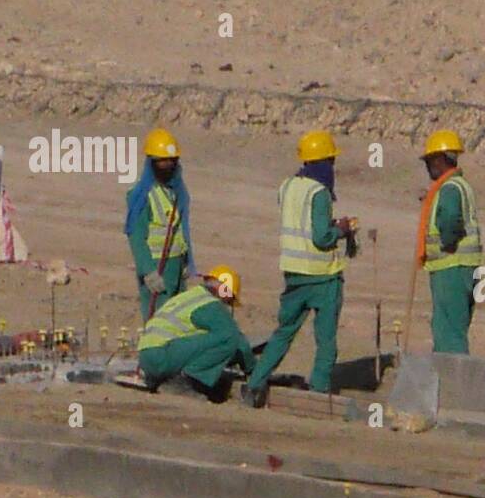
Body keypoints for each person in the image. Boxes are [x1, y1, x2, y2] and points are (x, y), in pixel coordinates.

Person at [242, 131, 355, 407]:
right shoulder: (319, 192)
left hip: (293, 274)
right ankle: (318, 391)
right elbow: (320, 237)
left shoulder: (287, 186)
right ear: (325, 162)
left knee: (283, 333)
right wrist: (340, 230)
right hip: (322, 276)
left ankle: (254, 383)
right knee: (326, 340)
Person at [137, 265, 255, 402]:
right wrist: (254, 371)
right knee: (228, 337)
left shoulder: (192, 296)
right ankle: (188, 382)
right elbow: (236, 339)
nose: (227, 305)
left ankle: (166, 382)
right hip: (162, 354)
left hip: (149, 358)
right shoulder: (210, 304)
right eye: (229, 299)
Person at [416, 130, 483, 353]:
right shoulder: (459, 186)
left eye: (429, 161)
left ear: (440, 159)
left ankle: (453, 384)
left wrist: (447, 242)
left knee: (449, 334)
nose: (427, 167)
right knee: (452, 327)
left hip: (451, 266)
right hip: (461, 268)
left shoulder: (450, 189)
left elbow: (450, 219)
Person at [125, 128, 193, 322]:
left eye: (172, 161)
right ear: (151, 163)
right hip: (157, 268)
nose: (168, 165)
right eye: (162, 161)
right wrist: (148, 271)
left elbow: (179, 230)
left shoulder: (174, 192)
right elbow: (136, 236)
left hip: (176, 266)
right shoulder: (141, 196)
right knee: (160, 321)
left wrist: (185, 261)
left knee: (178, 319)